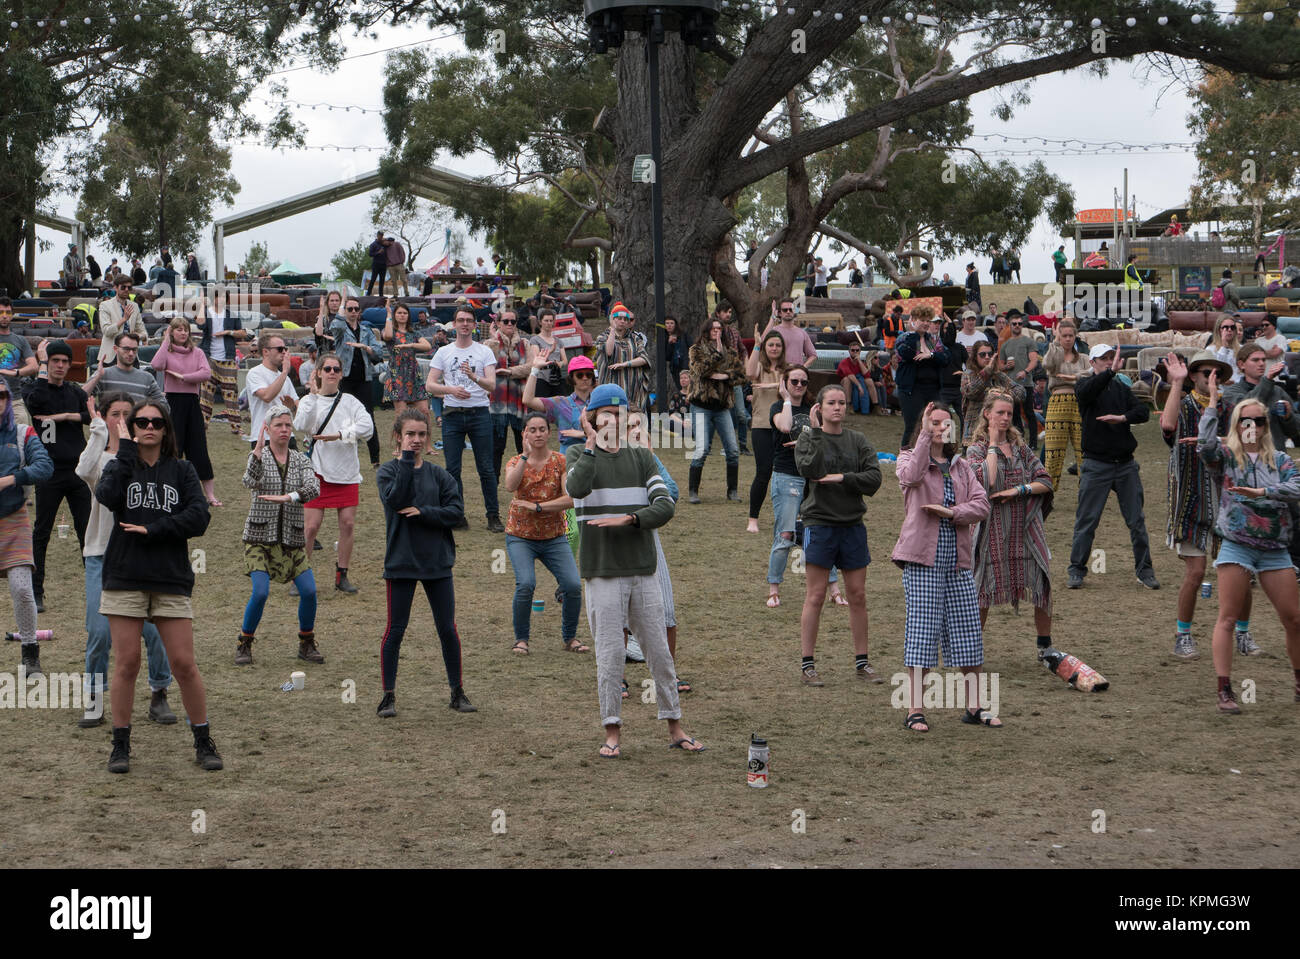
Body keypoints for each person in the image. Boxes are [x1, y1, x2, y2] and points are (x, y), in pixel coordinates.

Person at [564, 384, 702, 757]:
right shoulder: (578, 453)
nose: (612, 419)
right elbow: (576, 486)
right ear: (591, 418)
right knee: (609, 654)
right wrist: (592, 443)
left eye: (619, 413)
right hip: (602, 572)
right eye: (604, 414)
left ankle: (675, 725)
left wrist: (629, 519)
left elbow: (665, 504)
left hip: (643, 570)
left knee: (659, 652)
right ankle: (612, 732)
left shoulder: (641, 456)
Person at [95, 400, 219, 774]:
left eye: (156, 422)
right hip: (125, 575)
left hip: (169, 576)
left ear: (166, 430)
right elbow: (106, 496)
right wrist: (125, 450)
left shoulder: (181, 470)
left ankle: (202, 739)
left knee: (184, 664)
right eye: (141, 422)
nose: (149, 427)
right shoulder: (121, 466)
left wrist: (154, 529)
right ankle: (120, 745)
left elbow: (199, 517)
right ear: (133, 427)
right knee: (128, 663)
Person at [1197, 378, 1300, 714]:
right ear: (1237, 425)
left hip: (1275, 549)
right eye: (1246, 421)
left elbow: (1297, 488)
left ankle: (1298, 683)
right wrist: (1212, 403)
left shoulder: (1281, 461)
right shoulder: (1226, 458)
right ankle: (1224, 690)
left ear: (1266, 426)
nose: (1252, 426)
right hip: (1237, 546)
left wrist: (1265, 493)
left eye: (1259, 421)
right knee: (1227, 619)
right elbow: (1204, 447)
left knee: (1294, 619)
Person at [892, 402, 997, 731]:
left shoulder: (961, 466)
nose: (940, 427)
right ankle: (915, 710)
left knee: (969, 634)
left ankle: (975, 707)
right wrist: (923, 433)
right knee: (922, 634)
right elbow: (910, 478)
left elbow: (981, 504)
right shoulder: (909, 457)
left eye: (944, 422)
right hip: (922, 560)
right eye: (934, 422)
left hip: (958, 562)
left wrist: (952, 513)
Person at [75, 392, 175, 728]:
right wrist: (100, 431)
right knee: (99, 631)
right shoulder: (102, 461)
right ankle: (95, 695)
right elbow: (83, 469)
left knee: (154, 630)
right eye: (114, 414)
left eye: (126, 415)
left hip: (140, 554)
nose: (122, 421)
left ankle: (159, 692)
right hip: (100, 555)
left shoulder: (150, 461)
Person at [375, 409, 477, 717]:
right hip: (402, 562)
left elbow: (456, 513)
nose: (416, 440)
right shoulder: (387, 472)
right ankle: (388, 696)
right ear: (398, 436)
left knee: (447, 629)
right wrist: (406, 461)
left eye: (421, 435)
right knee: (395, 630)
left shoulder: (440, 475)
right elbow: (395, 499)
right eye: (410, 434)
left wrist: (424, 513)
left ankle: (457, 692)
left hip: (437, 563)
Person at [792, 384, 883, 686]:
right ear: (818, 407)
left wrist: (843, 478)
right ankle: (808, 665)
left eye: (842, 402)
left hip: (852, 525)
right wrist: (816, 432)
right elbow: (810, 469)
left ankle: (863, 662)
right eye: (831, 402)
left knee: (857, 594)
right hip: (820, 523)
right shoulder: (807, 437)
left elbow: (874, 479)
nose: (838, 407)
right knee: (816, 595)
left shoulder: (857, 440)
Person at [966, 391, 1055, 659]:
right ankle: (971, 650)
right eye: (1000, 413)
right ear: (987, 414)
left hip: (1025, 527)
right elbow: (986, 481)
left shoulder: (1022, 448)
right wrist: (993, 443)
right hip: (991, 529)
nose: (1005, 418)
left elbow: (1046, 481)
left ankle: (1045, 648)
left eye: (1009, 413)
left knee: (1042, 582)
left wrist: (1019, 490)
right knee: (982, 588)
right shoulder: (975, 450)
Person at [1161, 351, 1235, 661]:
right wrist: (1176, 384)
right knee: (1197, 571)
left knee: (1238, 570)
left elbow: (1245, 444)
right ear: (1193, 376)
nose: (1212, 378)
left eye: (1217, 373)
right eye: (1206, 372)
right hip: (1190, 496)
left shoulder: (1229, 408)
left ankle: (1241, 631)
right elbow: (1167, 425)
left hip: (1227, 499)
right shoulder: (1185, 402)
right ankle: (1183, 634)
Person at [1067, 343, 1159, 590]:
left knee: (1136, 521)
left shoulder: (1121, 388)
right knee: (1087, 520)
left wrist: (1123, 418)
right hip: (1096, 464)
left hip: (1125, 464)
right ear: (1092, 363)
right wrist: (1109, 373)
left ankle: (1145, 570)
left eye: (1111, 358)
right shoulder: (1084, 385)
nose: (1109, 362)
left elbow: (1143, 412)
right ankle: (1076, 569)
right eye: (1103, 359)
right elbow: (1087, 394)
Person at [234, 406, 321, 666]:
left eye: (287, 425)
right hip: (259, 537)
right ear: (267, 429)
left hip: (292, 540)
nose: (284, 429)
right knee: (260, 592)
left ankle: (306, 643)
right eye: (278, 425)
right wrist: (257, 455)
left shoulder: (301, 459)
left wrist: (290, 497)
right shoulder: (258, 456)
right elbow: (250, 482)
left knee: (309, 591)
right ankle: (244, 643)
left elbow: (313, 486)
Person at [503, 412, 584, 655]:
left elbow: (570, 499)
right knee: (526, 584)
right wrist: (525, 456)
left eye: (542, 429)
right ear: (524, 433)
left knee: (572, 585)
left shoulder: (560, 461)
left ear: (549, 433)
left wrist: (539, 507)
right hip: (520, 535)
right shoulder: (515, 461)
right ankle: (521, 639)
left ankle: (570, 638)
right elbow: (510, 486)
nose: (538, 434)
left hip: (553, 536)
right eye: (532, 430)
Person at [295, 354, 375, 595]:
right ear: (318, 372)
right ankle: (300, 577)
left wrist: (339, 434)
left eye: (336, 369)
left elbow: (367, 426)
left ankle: (342, 576)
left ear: (341, 373)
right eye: (327, 368)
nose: (331, 372)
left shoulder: (350, 401)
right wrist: (312, 394)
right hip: (317, 471)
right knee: (311, 528)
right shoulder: (310, 400)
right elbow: (301, 425)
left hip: (346, 471)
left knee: (348, 524)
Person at [27, 339, 92, 614]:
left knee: (87, 532)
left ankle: (96, 587)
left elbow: (91, 416)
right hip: (49, 471)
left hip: (77, 470)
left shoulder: (74, 392)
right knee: (42, 532)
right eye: (56, 361)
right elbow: (34, 405)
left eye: (65, 362)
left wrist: (65, 415)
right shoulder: (37, 389)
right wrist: (41, 363)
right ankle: (36, 591)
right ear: (48, 363)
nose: (61, 366)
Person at [427, 307, 502, 531]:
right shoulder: (444, 352)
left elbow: (492, 385)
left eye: (469, 320)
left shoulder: (484, 352)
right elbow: (430, 384)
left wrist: (474, 377)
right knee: (452, 469)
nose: (465, 324)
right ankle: (457, 515)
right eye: (461, 320)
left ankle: (493, 515)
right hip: (452, 415)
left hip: (479, 413)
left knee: (486, 468)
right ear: (454, 324)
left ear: (474, 324)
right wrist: (450, 390)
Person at [0, 376, 53, 678]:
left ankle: (30, 654)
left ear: (8, 399)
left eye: (2, 395)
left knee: (21, 589)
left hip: (14, 517)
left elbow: (44, 466)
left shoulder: (22, 432)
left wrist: (11, 479)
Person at [150, 317, 218, 505]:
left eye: (185, 329)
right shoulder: (168, 351)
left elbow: (206, 373)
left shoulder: (197, 352)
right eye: (178, 329)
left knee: (198, 448)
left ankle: (210, 495)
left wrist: (183, 377)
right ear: (171, 332)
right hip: (173, 403)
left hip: (192, 403)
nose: (183, 333)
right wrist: (165, 342)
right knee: (173, 447)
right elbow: (157, 365)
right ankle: (168, 490)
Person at [686, 316, 746, 504]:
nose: (716, 332)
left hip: (722, 407)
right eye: (713, 329)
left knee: (733, 450)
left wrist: (723, 376)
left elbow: (741, 376)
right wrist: (717, 355)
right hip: (701, 405)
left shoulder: (731, 352)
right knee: (702, 449)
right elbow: (700, 371)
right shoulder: (696, 350)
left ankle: (732, 491)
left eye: (719, 329)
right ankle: (693, 491)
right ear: (707, 331)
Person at [330, 297, 383, 468]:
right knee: (345, 418)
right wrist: (342, 304)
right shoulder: (340, 329)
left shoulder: (367, 331)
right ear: (345, 311)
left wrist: (364, 347)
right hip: (345, 379)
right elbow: (335, 326)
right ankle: (346, 457)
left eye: (355, 309)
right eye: (349, 309)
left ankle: (375, 459)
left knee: (368, 417)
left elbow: (378, 352)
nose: (353, 312)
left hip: (364, 379)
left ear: (359, 311)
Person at [745, 329, 788, 533]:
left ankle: (787, 518)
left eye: (778, 345)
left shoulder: (787, 369)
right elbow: (749, 373)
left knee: (786, 473)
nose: (774, 348)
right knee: (763, 472)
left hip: (784, 426)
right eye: (770, 345)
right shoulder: (760, 366)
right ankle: (753, 519)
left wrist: (776, 385)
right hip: (761, 425)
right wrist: (756, 344)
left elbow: (791, 388)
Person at [196, 286, 252, 436]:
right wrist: (201, 304)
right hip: (209, 358)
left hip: (227, 359)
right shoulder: (207, 313)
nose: (220, 299)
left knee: (231, 395)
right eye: (217, 296)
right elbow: (200, 324)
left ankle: (236, 427)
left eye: (222, 297)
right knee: (206, 395)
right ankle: (202, 427)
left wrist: (227, 332)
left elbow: (242, 333)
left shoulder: (231, 315)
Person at [1041, 317, 1090, 487]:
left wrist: (1074, 377)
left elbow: (1091, 374)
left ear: (1075, 336)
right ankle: (1048, 494)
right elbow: (1046, 364)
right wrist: (1054, 342)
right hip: (1057, 403)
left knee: (1083, 450)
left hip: (1079, 403)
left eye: (1071, 335)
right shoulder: (1055, 355)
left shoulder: (1083, 358)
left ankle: (1086, 492)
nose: (1068, 339)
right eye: (1064, 336)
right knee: (1053, 452)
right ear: (1059, 337)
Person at [895, 305, 950, 448]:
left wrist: (931, 355)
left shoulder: (933, 340)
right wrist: (915, 334)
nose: (926, 323)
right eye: (922, 320)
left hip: (933, 388)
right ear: (913, 320)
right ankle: (906, 459)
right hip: (911, 390)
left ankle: (943, 455)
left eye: (928, 320)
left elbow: (945, 358)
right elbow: (905, 353)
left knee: (941, 420)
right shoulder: (905, 338)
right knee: (913, 425)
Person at [488, 307, 529, 481]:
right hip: (497, 402)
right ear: (498, 323)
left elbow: (531, 367)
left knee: (523, 445)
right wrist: (494, 340)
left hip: (519, 400)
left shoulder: (525, 343)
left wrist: (510, 371)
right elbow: (490, 366)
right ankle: (493, 480)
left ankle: (526, 478)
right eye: (505, 321)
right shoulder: (489, 343)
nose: (510, 324)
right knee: (497, 447)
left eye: (513, 321)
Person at [524, 352, 595, 451]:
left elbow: (614, 436)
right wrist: (535, 369)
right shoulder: (560, 403)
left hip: (595, 457)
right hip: (569, 460)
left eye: (588, 374)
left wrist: (584, 434)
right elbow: (528, 400)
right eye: (579, 375)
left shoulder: (599, 403)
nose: (585, 378)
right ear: (572, 379)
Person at [960, 336, 1022, 446]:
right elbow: (970, 392)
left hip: (999, 432)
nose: (987, 357)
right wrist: (987, 371)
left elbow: (1021, 392)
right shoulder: (968, 374)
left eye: (990, 354)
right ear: (975, 357)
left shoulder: (997, 375)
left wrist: (1002, 395)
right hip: (974, 433)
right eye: (983, 355)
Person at [85, 331, 169, 412]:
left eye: (134, 350)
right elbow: (81, 397)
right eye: (126, 349)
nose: (131, 353)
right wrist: (97, 378)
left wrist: (140, 408)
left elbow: (165, 407)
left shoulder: (147, 378)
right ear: (115, 349)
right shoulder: (103, 374)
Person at [594, 302, 651, 412]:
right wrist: (612, 330)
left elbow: (644, 358)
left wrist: (625, 364)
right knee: (613, 420)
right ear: (612, 319)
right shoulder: (602, 336)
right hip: (611, 389)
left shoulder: (635, 338)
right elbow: (609, 352)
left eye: (625, 319)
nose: (622, 321)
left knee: (632, 421)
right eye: (619, 318)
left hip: (632, 390)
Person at [243, 331, 298, 445]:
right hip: (264, 437)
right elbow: (267, 396)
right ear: (265, 352)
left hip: (287, 436)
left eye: (285, 349)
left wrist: (292, 407)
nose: (283, 352)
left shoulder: (285, 378)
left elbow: (297, 407)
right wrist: (284, 372)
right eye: (279, 349)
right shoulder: (255, 373)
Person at [998, 309, 1041, 447]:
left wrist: (1025, 371)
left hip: (1026, 383)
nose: (1017, 326)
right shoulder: (1005, 344)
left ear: (1022, 325)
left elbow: (1034, 361)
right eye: (1014, 323)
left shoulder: (1028, 341)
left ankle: (1033, 442)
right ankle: (1020, 441)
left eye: (1019, 324)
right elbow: (1000, 366)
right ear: (1009, 325)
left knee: (1029, 412)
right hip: (1011, 384)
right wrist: (1006, 367)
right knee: (1015, 414)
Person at [381, 298, 431, 417]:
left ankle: (425, 436)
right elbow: (387, 336)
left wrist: (411, 345)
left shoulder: (413, 333)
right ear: (394, 315)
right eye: (399, 313)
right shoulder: (390, 330)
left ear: (408, 316)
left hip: (413, 373)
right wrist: (388, 312)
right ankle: (401, 436)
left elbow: (427, 346)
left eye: (405, 313)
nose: (402, 315)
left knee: (424, 411)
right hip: (396, 373)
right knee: (401, 414)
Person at [0, 297, 38, 426]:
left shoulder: (20, 340)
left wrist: (16, 372)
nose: (4, 316)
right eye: (1, 312)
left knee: (22, 435)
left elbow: (34, 366)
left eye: (8, 312)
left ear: (12, 315)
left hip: (14, 400)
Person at [524, 308, 569, 400]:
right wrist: (550, 351)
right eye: (546, 320)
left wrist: (560, 363)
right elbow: (536, 359)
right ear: (540, 322)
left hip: (556, 377)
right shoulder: (535, 340)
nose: (548, 323)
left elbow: (565, 360)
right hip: (542, 378)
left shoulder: (558, 341)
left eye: (551, 321)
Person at [765, 297, 817, 366]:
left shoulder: (802, 333)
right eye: (785, 310)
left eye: (791, 309)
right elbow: (762, 341)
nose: (788, 312)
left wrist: (803, 368)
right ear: (780, 313)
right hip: (778, 372)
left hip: (796, 374)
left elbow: (813, 355)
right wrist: (773, 317)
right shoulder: (774, 331)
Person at [837, 342, 874, 415]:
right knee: (847, 380)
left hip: (857, 382)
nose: (855, 352)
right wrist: (859, 386)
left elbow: (867, 375)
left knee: (869, 381)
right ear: (849, 351)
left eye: (857, 350)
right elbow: (849, 375)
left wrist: (859, 361)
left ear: (860, 351)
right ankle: (848, 405)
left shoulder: (861, 363)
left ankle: (875, 405)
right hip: (844, 383)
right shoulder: (844, 362)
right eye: (853, 350)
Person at [1209, 314, 1244, 383]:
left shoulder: (1241, 348)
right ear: (1219, 330)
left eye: (1232, 327)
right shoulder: (1210, 349)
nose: (1229, 330)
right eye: (1226, 327)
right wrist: (1224, 346)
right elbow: (1218, 370)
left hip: (1238, 387)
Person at [664, 315, 691, 382]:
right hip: (675, 368)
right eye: (667, 323)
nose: (669, 325)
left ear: (675, 325)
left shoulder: (683, 335)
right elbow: (667, 357)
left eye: (671, 323)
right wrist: (669, 343)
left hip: (686, 365)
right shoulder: (664, 338)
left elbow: (691, 347)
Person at [366, 230, 393, 296]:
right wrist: (378, 252)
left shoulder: (383, 243)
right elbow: (370, 254)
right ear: (377, 235)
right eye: (380, 235)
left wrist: (386, 239)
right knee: (373, 279)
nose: (381, 237)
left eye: (382, 235)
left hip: (383, 265)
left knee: (382, 280)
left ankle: (381, 294)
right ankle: (368, 294)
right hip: (376, 264)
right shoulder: (373, 244)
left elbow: (391, 240)